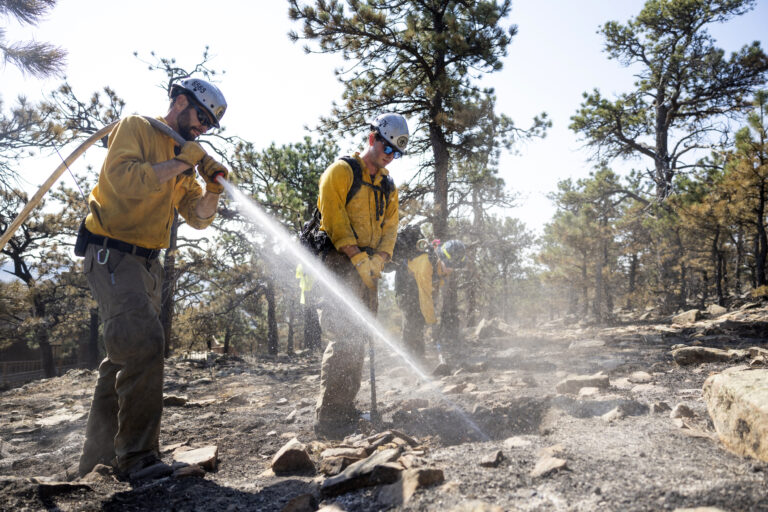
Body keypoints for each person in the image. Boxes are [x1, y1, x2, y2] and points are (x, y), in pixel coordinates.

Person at [77, 78, 229, 478]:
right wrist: (185, 160)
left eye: (209, 125)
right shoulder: (137, 128)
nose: (203, 128)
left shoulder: (183, 153)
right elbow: (125, 179)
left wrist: (212, 189)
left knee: (124, 355)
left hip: (146, 263)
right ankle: (137, 458)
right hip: (112, 253)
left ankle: (97, 458)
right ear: (180, 101)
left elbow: (196, 216)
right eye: (201, 117)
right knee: (145, 343)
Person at [314, 113, 409, 439]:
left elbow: (391, 227)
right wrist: (355, 257)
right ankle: (329, 419)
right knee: (344, 337)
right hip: (340, 264)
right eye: (386, 148)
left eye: (396, 153)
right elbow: (333, 215)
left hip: (369, 266)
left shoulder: (387, 186)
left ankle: (346, 409)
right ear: (373, 139)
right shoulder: (341, 172)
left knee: (362, 337)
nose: (389, 157)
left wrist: (379, 261)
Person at [394, 237, 467, 361]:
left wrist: (433, 314)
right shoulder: (426, 264)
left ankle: (419, 358)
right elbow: (425, 297)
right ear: (442, 258)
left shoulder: (442, 267)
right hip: (406, 286)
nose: (450, 269)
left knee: (422, 319)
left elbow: (434, 291)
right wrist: (432, 322)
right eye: (449, 265)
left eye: (454, 267)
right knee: (413, 320)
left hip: (423, 286)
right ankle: (410, 360)